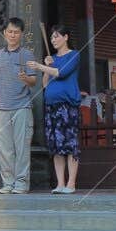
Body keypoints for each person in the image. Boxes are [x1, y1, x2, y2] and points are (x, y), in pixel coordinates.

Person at [0, 18, 38, 193]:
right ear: (4, 33)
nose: (12, 35)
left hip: (22, 107)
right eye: (10, 31)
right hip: (1, 108)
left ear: (21, 34)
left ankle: (21, 183)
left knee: (21, 147)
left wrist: (26, 79)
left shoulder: (27, 54)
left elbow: (33, 81)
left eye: (16, 32)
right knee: (4, 148)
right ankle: (8, 183)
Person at [28, 26, 83, 194]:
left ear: (66, 37)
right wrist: (46, 66)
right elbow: (45, 84)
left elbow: (61, 73)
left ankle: (71, 184)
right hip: (51, 107)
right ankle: (60, 183)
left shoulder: (74, 55)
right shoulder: (51, 59)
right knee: (56, 146)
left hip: (67, 106)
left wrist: (40, 66)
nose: (53, 40)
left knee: (70, 144)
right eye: (52, 37)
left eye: (57, 36)